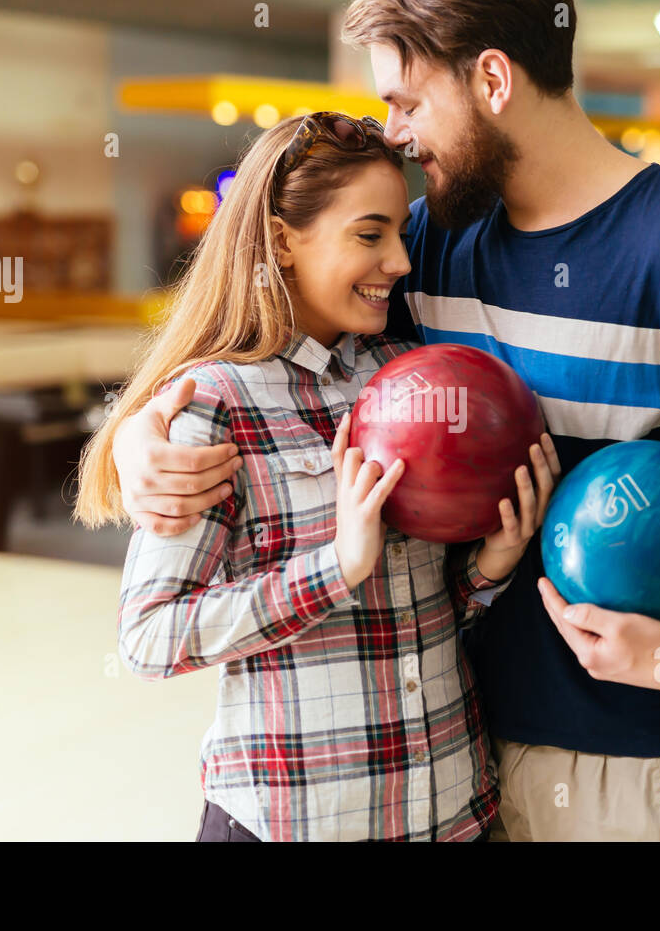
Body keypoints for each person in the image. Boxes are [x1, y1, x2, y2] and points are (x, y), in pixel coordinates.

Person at [110, 0, 660, 842]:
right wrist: (139, 436)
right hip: (450, 766)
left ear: (491, 80)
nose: (396, 132)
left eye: (406, 100)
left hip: (627, 763)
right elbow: (259, 340)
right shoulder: (427, 244)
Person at [74, 111, 560, 841]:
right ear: (281, 240)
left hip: (454, 812)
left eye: (399, 233)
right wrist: (335, 567)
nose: (399, 260)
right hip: (301, 821)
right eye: (370, 236)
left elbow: (412, 612)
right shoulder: (217, 402)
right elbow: (151, 637)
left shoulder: (407, 373)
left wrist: (488, 568)